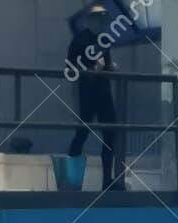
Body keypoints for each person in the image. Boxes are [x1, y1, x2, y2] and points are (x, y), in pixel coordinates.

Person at [67, 4, 125, 191]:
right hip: (88, 94)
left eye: (104, 19)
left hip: (103, 93)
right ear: (90, 20)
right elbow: (71, 70)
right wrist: (94, 70)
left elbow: (105, 63)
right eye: (99, 19)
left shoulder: (102, 40)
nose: (103, 23)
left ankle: (107, 181)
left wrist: (110, 67)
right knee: (82, 133)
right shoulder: (79, 41)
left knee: (110, 133)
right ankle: (70, 179)